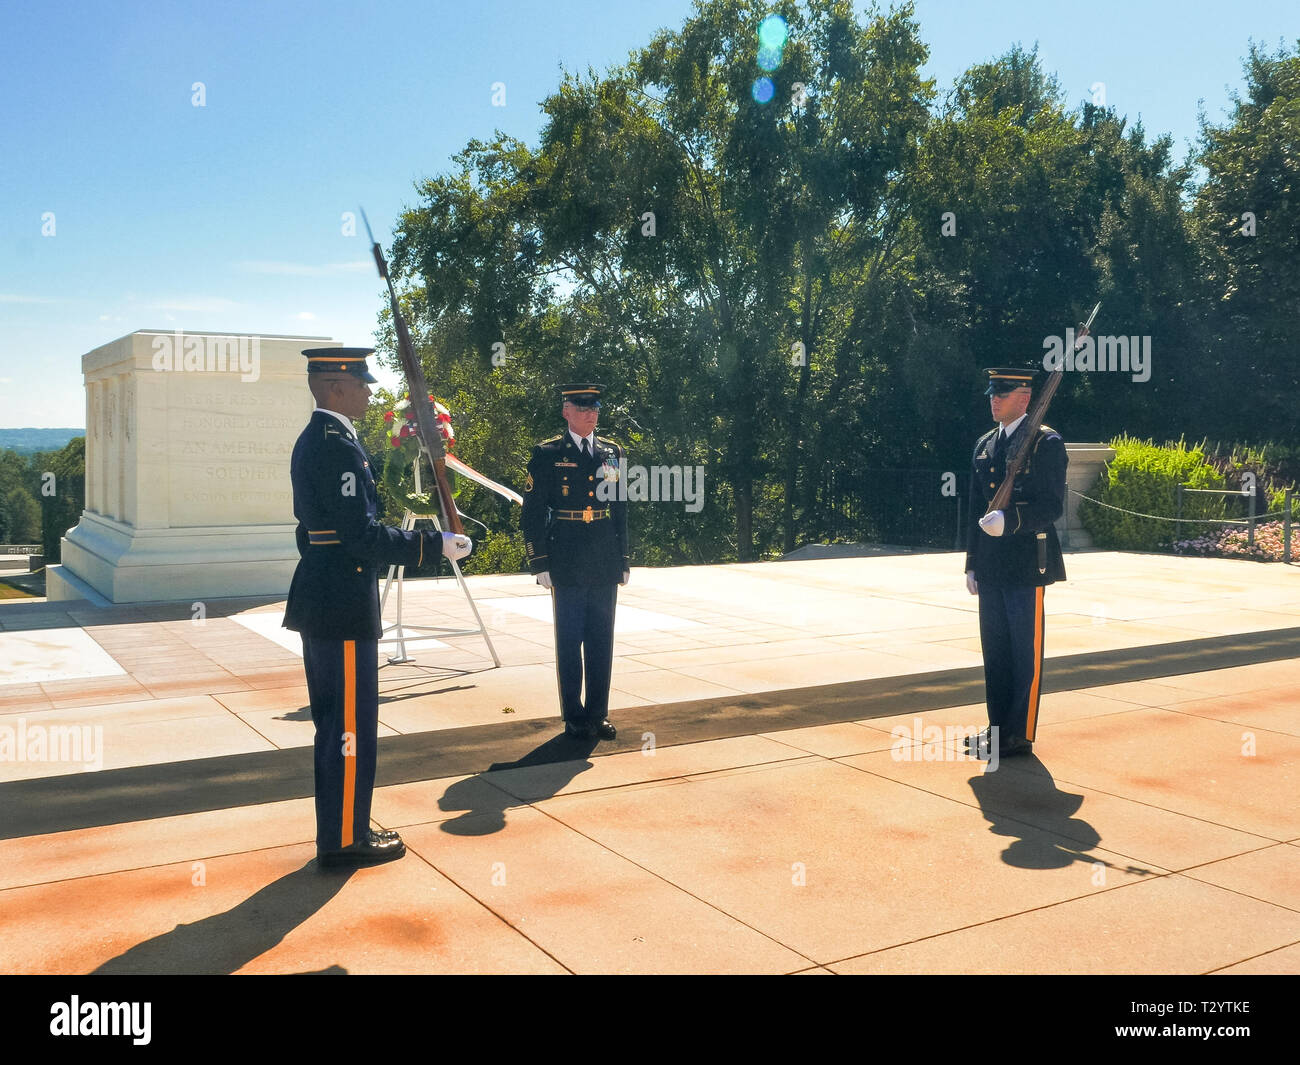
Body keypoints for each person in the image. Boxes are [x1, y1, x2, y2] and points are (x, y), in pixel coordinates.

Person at [283, 347, 472, 868]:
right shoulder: (335, 447)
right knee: (348, 726)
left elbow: (318, 533)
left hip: (328, 595)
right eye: (361, 383)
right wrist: (433, 545)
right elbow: (360, 535)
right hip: (341, 604)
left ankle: (344, 826)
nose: (369, 391)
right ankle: (344, 840)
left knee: (339, 724)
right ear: (334, 388)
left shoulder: (326, 440)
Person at [963, 367, 1067, 759]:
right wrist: (972, 562)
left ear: (1024, 398)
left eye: (1002, 394)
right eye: (992, 394)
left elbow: (1051, 506)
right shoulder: (985, 444)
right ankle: (997, 731)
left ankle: (1019, 733)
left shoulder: (1045, 444)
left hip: (1026, 563)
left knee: (1025, 652)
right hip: (991, 565)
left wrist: (1010, 521)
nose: (994, 400)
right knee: (997, 650)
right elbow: (975, 506)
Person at [520, 383, 629, 741]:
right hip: (565, 553)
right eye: (581, 407)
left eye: (594, 407)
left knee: (601, 639)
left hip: (602, 554)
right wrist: (539, 562)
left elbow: (619, 508)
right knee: (569, 641)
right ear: (566, 411)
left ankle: (598, 713)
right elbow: (533, 512)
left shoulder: (610, 453)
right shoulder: (548, 453)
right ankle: (574, 716)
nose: (590, 413)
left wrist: (623, 558)